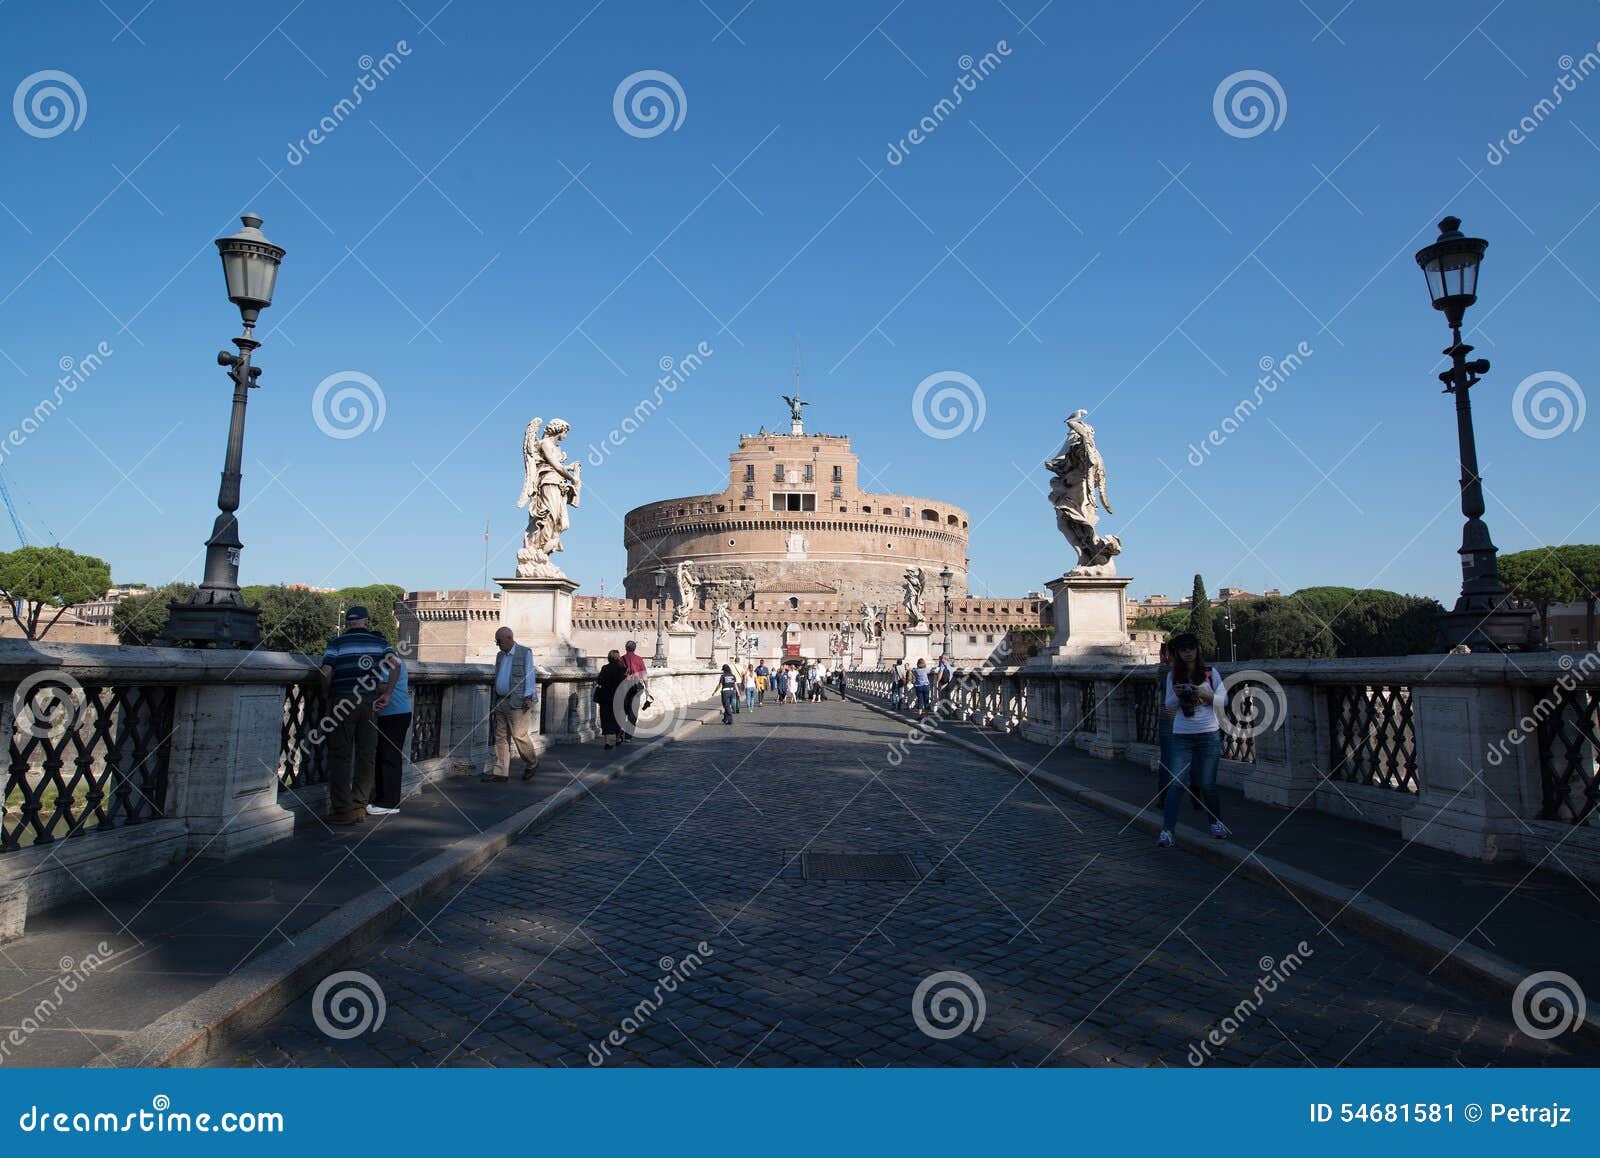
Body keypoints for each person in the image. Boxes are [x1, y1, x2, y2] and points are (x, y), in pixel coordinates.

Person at [318, 607, 401, 826]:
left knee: (340, 754)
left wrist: (327, 693)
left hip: (343, 700)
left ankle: (342, 809)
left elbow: (326, 672)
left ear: (347, 623)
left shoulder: (336, 643)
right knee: (367, 753)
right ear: (366, 621)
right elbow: (396, 666)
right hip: (369, 700)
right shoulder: (379, 642)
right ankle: (359, 805)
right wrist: (389, 693)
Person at [1158, 631, 1230, 848]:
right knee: (1176, 784)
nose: (1188, 652)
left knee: (1208, 785)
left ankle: (1216, 823)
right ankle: (1167, 830)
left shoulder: (1211, 673)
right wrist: (1179, 696)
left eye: (1191, 648)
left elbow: (1223, 700)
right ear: (1178, 653)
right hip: (1182, 735)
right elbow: (1169, 705)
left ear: (1197, 650)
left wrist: (1203, 694)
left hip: (1208, 733)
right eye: (1183, 649)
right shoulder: (1173, 676)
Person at [483, 627, 540, 782]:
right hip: (500, 700)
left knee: (519, 735)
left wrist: (528, 696)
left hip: (518, 701)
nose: (497, 644)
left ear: (509, 638)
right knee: (500, 736)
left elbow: (529, 675)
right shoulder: (500, 655)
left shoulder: (524, 652)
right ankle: (501, 772)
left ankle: (532, 762)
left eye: (499, 641)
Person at [370, 649, 411, 817]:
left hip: (393, 714)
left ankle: (389, 802)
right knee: (385, 756)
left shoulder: (389, 663)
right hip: (396, 713)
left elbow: (382, 687)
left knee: (389, 757)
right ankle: (382, 799)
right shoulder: (393, 661)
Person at [1154, 640, 1176, 800]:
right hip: (1174, 717)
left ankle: (1164, 793)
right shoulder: (1167, 670)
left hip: (1167, 716)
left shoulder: (1163, 669)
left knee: (1167, 756)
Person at [595, 649, 627, 749]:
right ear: (618, 658)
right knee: (617, 718)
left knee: (605, 719)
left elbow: (599, 681)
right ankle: (617, 739)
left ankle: (608, 743)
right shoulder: (621, 669)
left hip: (605, 697)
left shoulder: (605, 668)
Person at [620, 639, 649, 743]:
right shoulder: (639, 659)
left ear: (626, 648)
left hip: (623, 687)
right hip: (636, 687)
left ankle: (620, 733)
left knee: (622, 710)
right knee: (633, 712)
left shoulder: (621, 659)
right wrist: (647, 688)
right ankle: (628, 736)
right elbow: (644, 675)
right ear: (634, 648)